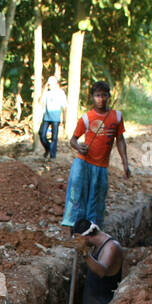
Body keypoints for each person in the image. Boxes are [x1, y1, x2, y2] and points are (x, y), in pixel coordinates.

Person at [61, 80, 132, 229]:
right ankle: (74, 230)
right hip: (83, 163)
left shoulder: (117, 117)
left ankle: (93, 230)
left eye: (104, 95)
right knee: (77, 196)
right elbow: (73, 140)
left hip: (101, 166)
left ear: (109, 97)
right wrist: (79, 147)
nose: (101, 99)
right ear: (92, 97)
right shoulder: (86, 118)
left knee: (97, 199)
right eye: (97, 95)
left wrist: (125, 162)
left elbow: (120, 140)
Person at [68, 219, 123, 304]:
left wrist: (85, 254)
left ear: (86, 237)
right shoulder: (99, 245)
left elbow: (101, 271)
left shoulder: (111, 247)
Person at [38, 75, 69, 161]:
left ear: (56, 84)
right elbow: (40, 101)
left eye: (51, 84)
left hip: (56, 118)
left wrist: (64, 119)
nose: (50, 85)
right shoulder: (47, 93)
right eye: (49, 84)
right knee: (42, 134)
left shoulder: (60, 93)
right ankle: (48, 148)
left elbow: (65, 106)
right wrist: (44, 89)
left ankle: (52, 156)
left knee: (54, 138)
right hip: (46, 117)